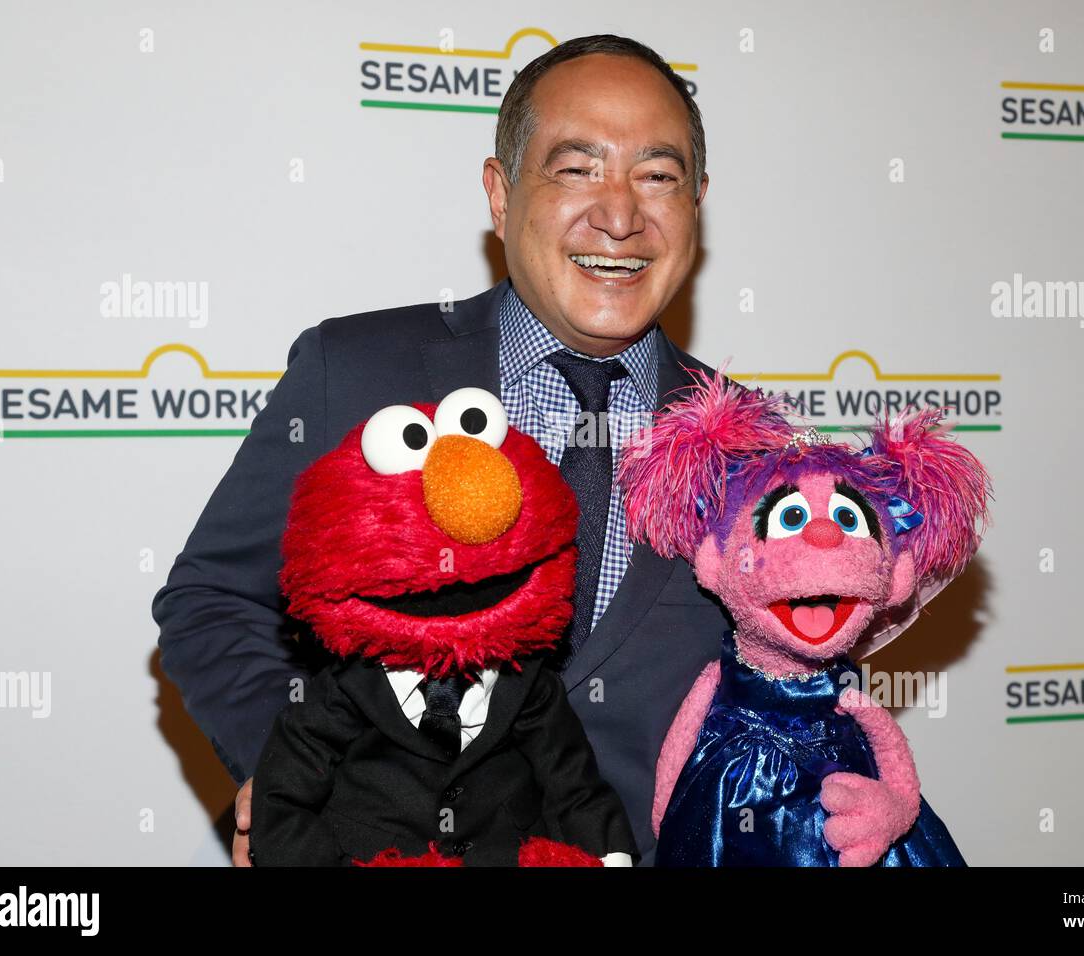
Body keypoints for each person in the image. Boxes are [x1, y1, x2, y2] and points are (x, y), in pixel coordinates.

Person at [152, 33, 729, 867]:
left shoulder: (752, 447)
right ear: (500, 194)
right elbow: (212, 598)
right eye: (577, 168)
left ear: (697, 203)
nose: (620, 213)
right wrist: (286, 773)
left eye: (658, 176)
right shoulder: (352, 372)